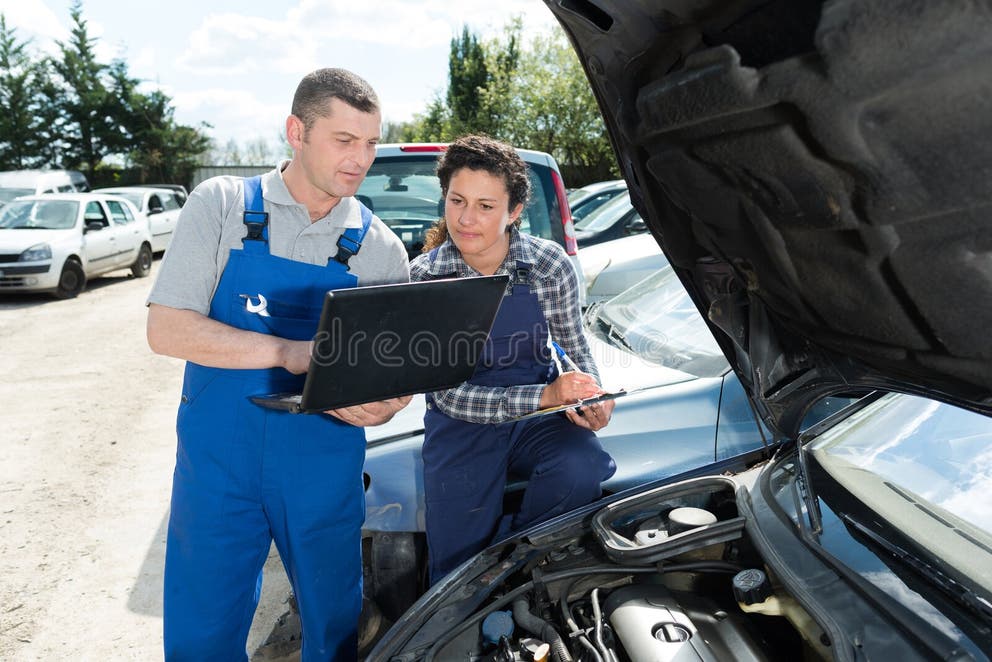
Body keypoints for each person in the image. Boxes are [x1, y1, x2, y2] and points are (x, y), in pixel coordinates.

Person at [145, 68, 411, 661]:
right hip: (219, 460)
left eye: (370, 143)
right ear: (297, 130)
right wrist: (290, 352)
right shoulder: (223, 206)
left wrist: (388, 402)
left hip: (323, 460)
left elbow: (395, 379)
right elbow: (166, 329)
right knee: (202, 626)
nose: (361, 159)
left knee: (334, 621)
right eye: (344, 141)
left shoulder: (380, 248)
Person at [410, 135, 617, 582]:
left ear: (514, 211)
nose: (466, 219)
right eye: (457, 200)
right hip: (460, 427)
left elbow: (574, 344)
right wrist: (545, 395)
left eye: (486, 206)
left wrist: (591, 392)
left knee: (580, 466)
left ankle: (511, 569)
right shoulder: (425, 278)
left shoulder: (548, 265)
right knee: (454, 561)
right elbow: (448, 398)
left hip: (539, 422)